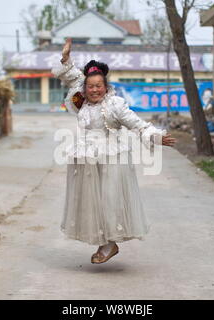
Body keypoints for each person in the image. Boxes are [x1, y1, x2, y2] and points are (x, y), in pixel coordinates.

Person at [52, 38, 176, 264]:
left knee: (108, 200)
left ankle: (109, 244)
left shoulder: (115, 104)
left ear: (106, 87)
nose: (94, 89)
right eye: (91, 86)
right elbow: (71, 77)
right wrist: (65, 58)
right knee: (91, 203)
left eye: (99, 85)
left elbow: (136, 123)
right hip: (86, 158)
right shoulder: (81, 102)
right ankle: (106, 243)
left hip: (112, 158)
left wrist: (155, 136)